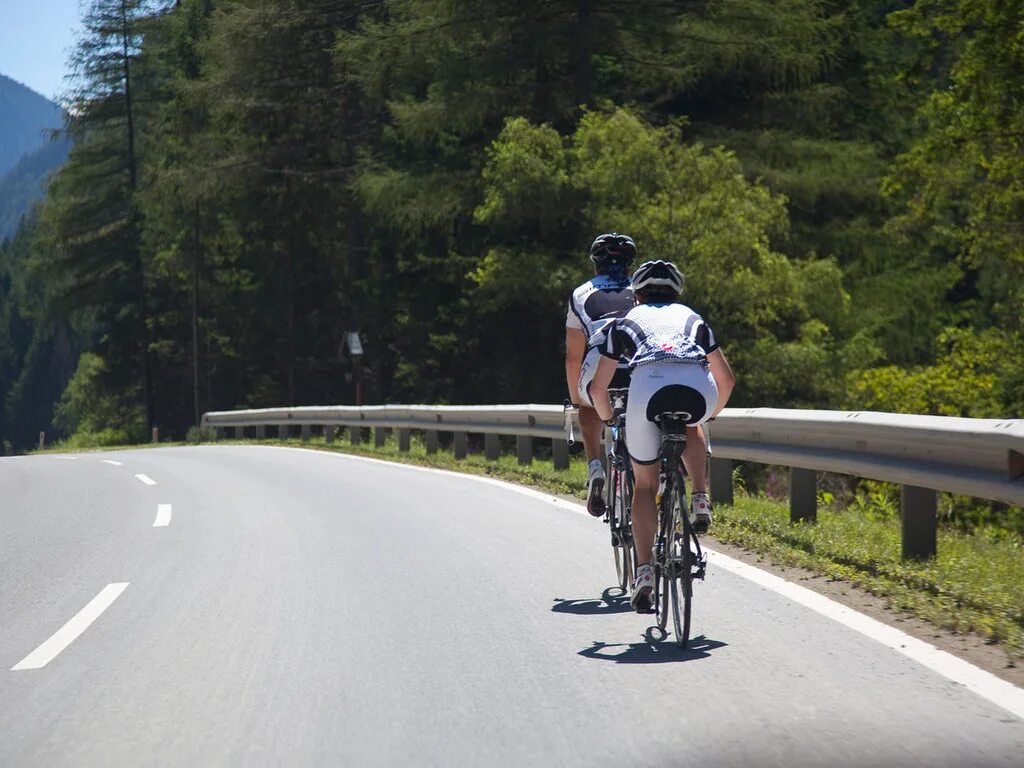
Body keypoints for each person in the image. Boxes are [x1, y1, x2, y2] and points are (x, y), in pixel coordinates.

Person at [589, 259, 735, 612]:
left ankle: (644, 573)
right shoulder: (694, 319)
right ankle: (699, 496)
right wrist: (710, 413)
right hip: (697, 388)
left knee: (644, 485)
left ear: (637, 295)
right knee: (692, 424)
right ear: (677, 294)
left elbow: (597, 388)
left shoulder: (625, 321)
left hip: (647, 386)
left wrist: (609, 418)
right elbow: (727, 379)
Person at [565, 233, 637, 516]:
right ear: (630, 264)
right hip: (638, 361)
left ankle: (595, 466)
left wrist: (576, 399)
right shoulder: (642, 288)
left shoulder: (580, 293)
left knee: (588, 404)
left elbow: (573, 357)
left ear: (595, 264)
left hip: (598, 363)